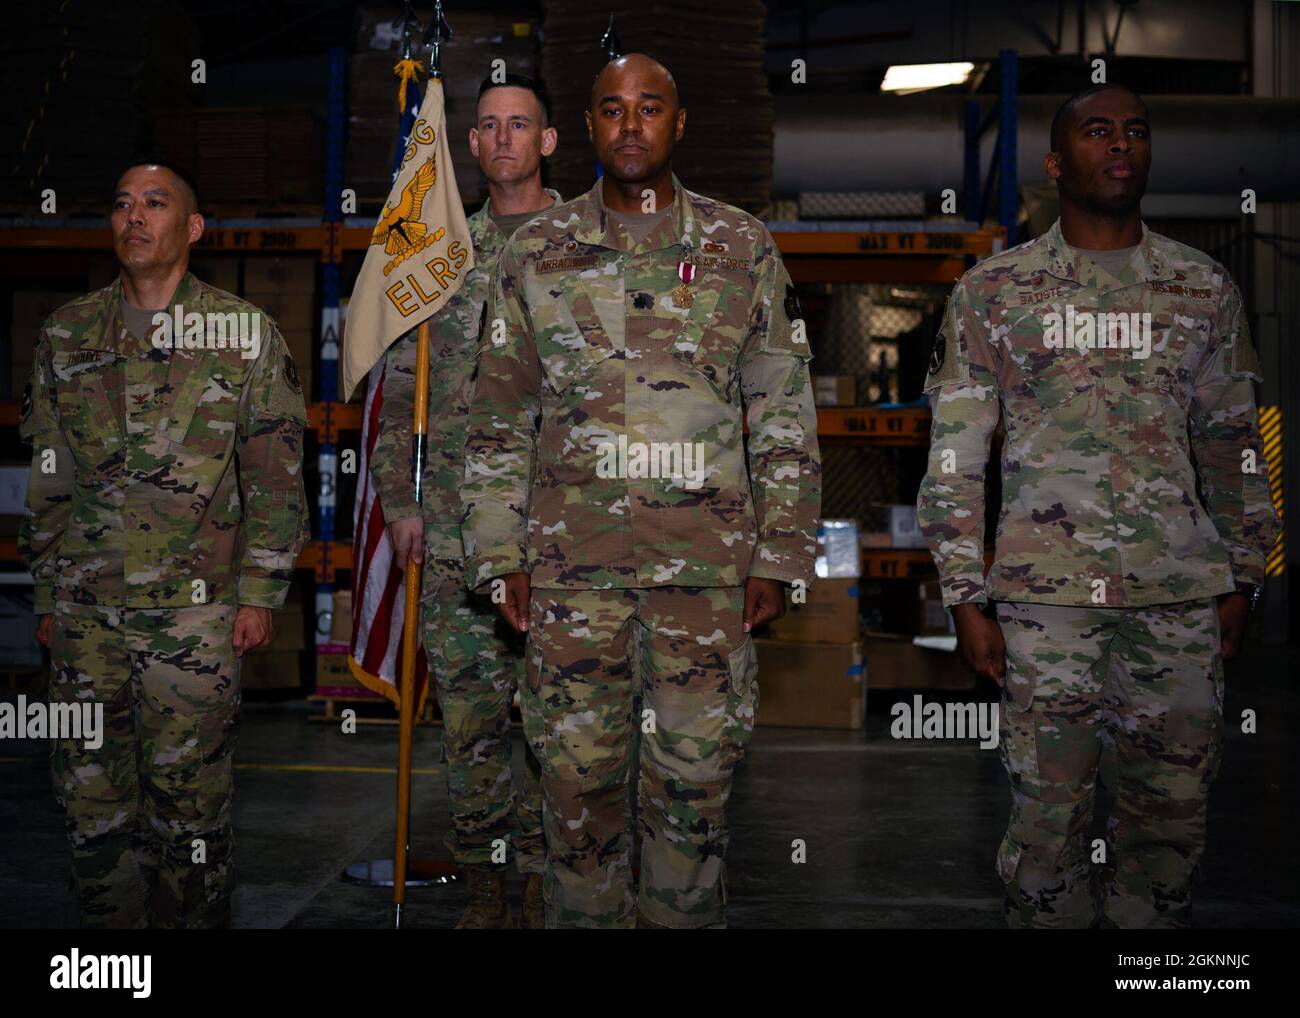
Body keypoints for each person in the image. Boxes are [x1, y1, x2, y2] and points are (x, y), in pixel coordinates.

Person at [460, 53, 821, 929]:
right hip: (569, 580)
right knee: (577, 797)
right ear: (588, 127)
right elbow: (499, 419)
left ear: (678, 123)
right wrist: (497, 554)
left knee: (693, 798)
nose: (631, 125)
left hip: (705, 580)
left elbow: (783, 410)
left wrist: (780, 555)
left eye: (649, 108)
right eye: (613, 110)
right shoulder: (536, 253)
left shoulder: (742, 248)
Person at [917, 84, 1279, 928]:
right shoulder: (995, 292)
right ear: (1055, 162)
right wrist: (965, 596)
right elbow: (955, 458)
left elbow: (1237, 446)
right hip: (1048, 607)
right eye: (1097, 131)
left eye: (1136, 132)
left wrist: (1243, 576)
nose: (1120, 145)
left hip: (1179, 599)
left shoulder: (1201, 288)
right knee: (1048, 823)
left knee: (1172, 822)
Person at [20, 160, 309, 928]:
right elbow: (48, 472)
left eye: (155, 203)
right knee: (89, 806)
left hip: (194, 618)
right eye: (121, 204)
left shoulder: (243, 336)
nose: (134, 217)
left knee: (192, 817)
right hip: (86, 618)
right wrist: (46, 591)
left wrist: (259, 594)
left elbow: (275, 478)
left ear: (193, 228)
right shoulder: (68, 333)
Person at [374, 74, 560, 929]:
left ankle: (554, 883)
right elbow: (401, 380)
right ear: (473, 146)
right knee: (473, 727)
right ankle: (488, 885)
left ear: (548, 142)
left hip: (564, 531)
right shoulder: (441, 257)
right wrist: (398, 502)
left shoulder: (585, 247)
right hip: (450, 526)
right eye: (487, 126)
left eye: (520, 124)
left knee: (566, 730)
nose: (503, 138)